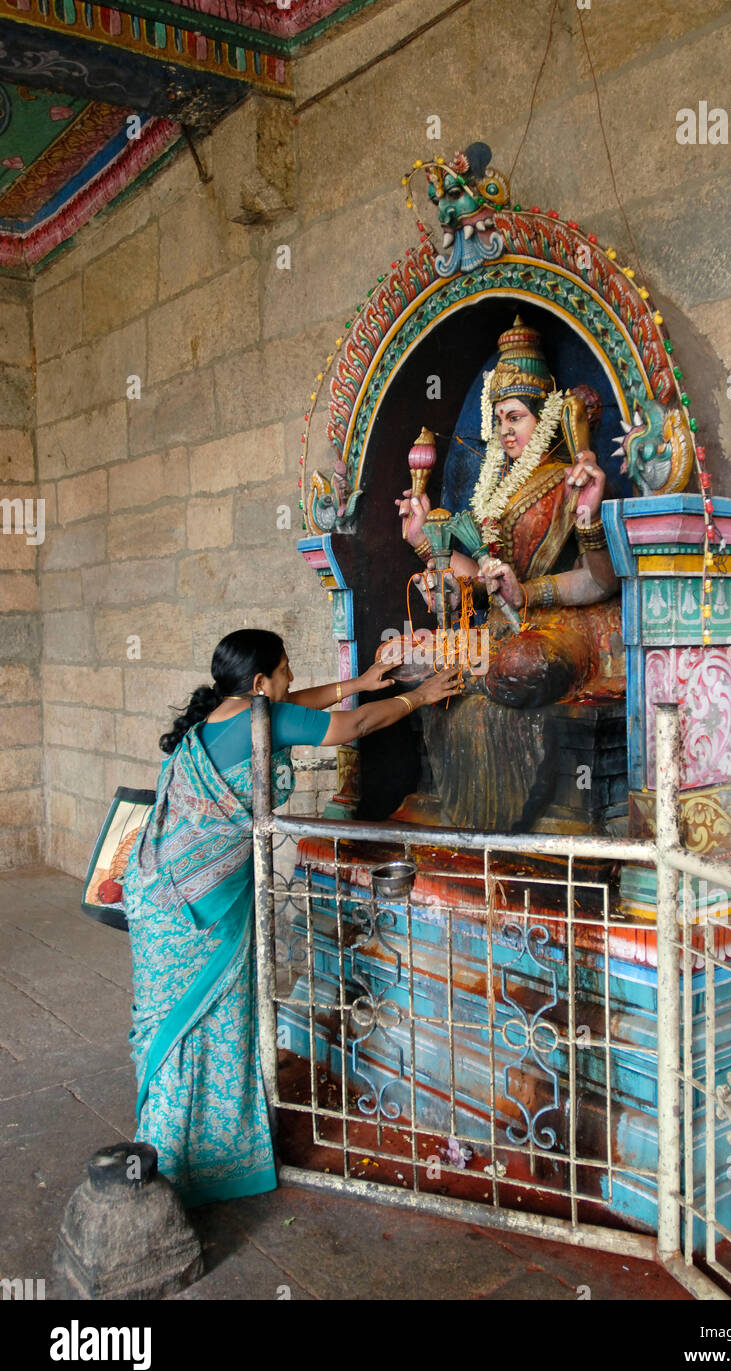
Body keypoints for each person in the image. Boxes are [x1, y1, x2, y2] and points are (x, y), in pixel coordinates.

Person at [123, 628, 459, 1207]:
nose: (292, 678)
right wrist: (419, 697)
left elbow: (295, 707)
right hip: (199, 907)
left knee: (179, 1022)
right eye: (284, 670)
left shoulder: (223, 718)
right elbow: (352, 728)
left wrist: (356, 683)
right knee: (203, 1019)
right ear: (259, 683)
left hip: (158, 892)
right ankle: (191, 1160)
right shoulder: (264, 716)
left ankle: (179, 1149)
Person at [397, 317, 622, 710]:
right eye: (499, 419)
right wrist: (424, 543)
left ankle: (477, 676)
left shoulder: (573, 482)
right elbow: (483, 583)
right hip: (501, 628)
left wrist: (528, 592)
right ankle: (477, 674)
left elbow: (602, 582)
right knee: (405, 658)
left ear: (546, 415)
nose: (504, 431)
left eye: (515, 417)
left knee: (524, 665)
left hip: (557, 628)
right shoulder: (494, 490)